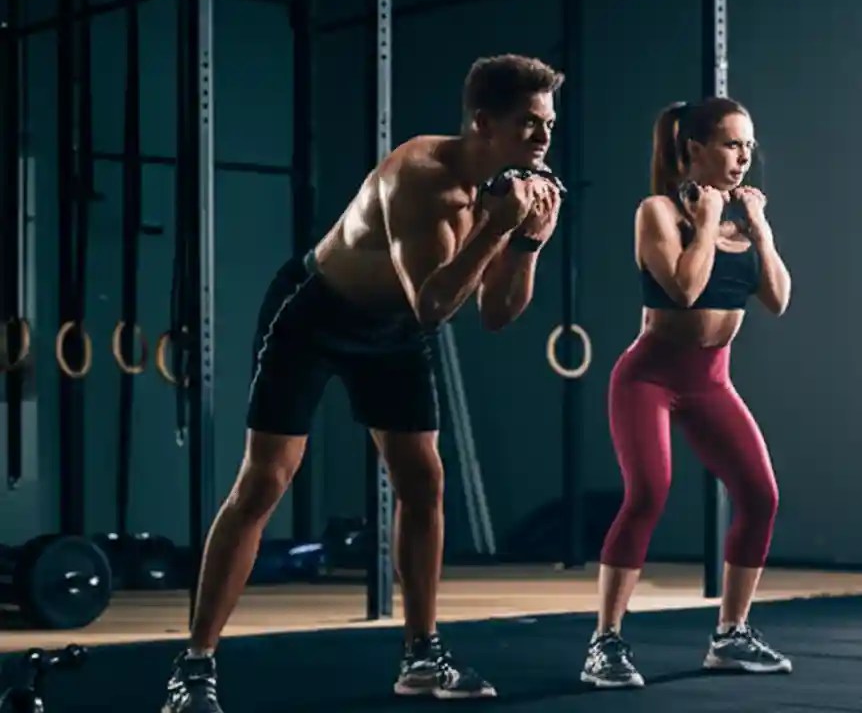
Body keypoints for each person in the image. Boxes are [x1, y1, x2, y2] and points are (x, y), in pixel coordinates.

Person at [161, 53, 565, 713]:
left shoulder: (509, 190)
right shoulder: (421, 175)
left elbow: (495, 315)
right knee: (265, 480)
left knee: (424, 479)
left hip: (394, 332)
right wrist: (497, 226)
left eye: (548, 125)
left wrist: (529, 244)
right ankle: (195, 666)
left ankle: (421, 658)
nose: (544, 139)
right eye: (529, 124)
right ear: (483, 124)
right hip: (317, 313)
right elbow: (434, 304)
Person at [580, 97, 794, 689]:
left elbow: (777, 299)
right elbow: (683, 289)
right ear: (693, 148)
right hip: (649, 378)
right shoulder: (657, 212)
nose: (743, 156)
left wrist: (762, 232)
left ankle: (730, 635)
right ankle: (606, 642)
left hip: (711, 382)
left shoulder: (744, 221)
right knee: (648, 493)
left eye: (749, 145)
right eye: (730, 144)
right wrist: (705, 222)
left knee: (760, 495)